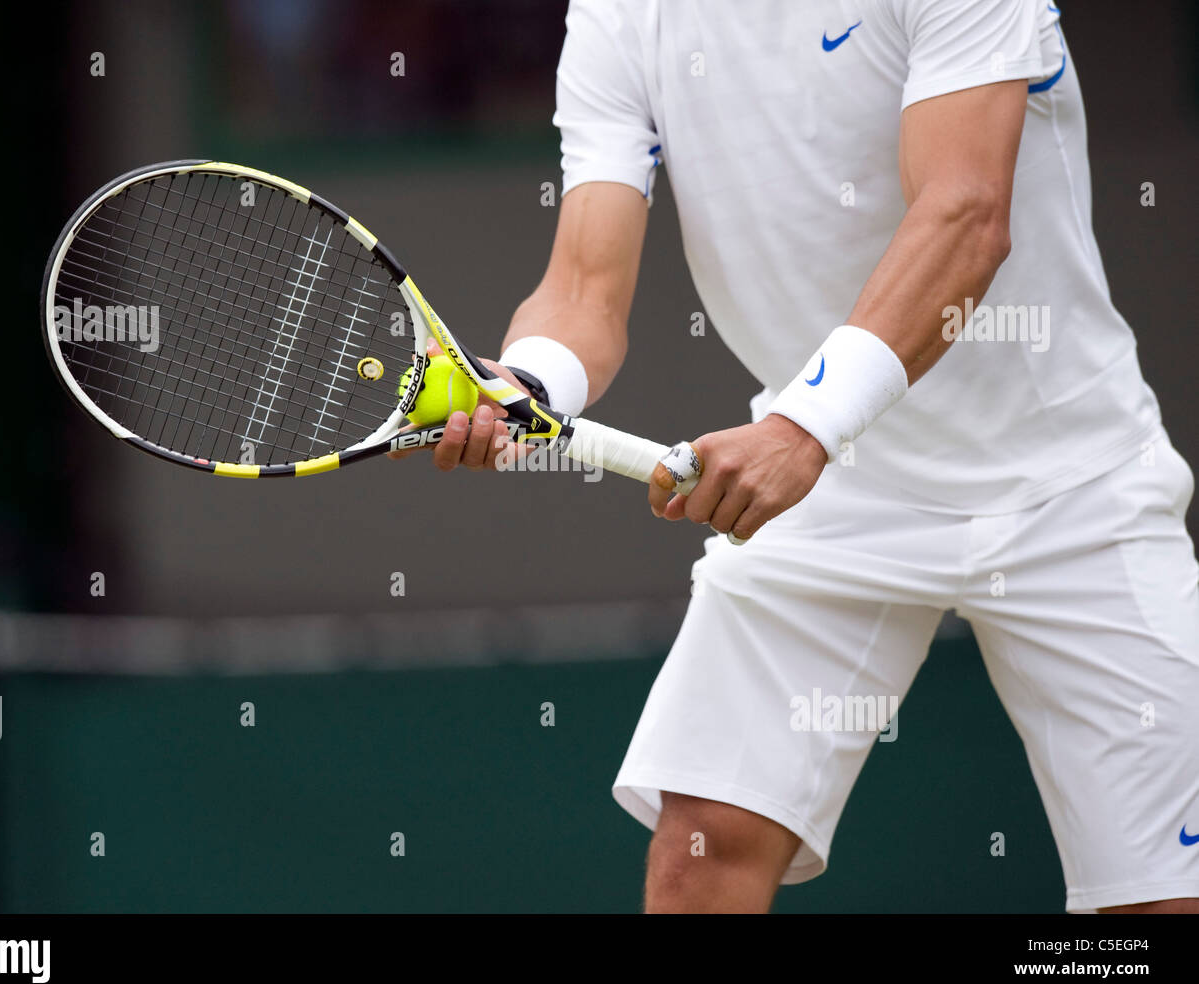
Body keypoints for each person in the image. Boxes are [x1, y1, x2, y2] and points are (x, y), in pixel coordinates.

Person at [423, 0, 1199, 913]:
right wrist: (529, 384)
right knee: (702, 856)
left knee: (1151, 907)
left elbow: (966, 215)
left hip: (1070, 482)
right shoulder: (618, 14)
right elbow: (585, 287)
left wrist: (804, 428)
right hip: (834, 489)